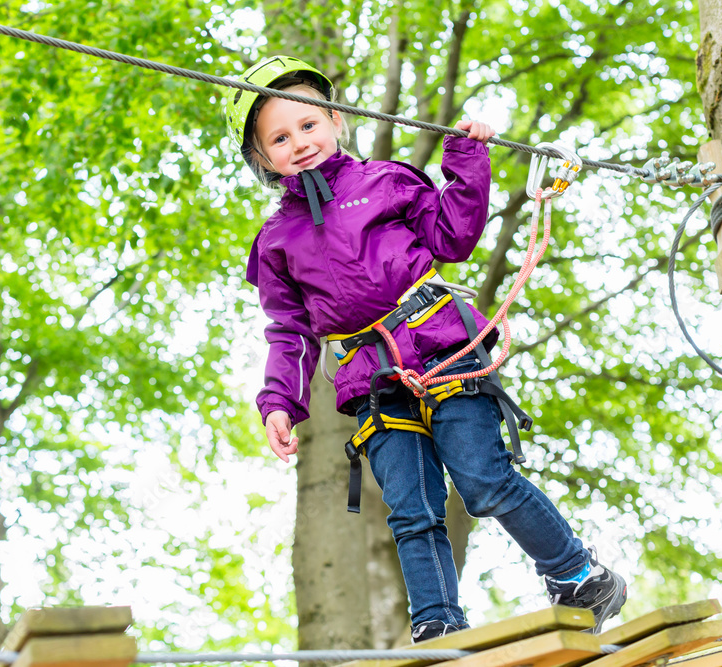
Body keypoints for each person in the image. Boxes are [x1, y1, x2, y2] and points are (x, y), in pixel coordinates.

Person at [226, 55, 627, 641]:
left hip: (440, 346)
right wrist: (279, 401)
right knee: (411, 509)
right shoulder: (276, 242)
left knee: (483, 478)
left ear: (336, 119)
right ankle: (437, 624)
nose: (300, 142)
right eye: (280, 138)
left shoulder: (382, 181)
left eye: (308, 125)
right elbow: (289, 331)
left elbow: (453, 235)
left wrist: (467, 160)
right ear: (264, 159)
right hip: (372, 378)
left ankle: (577, 574)